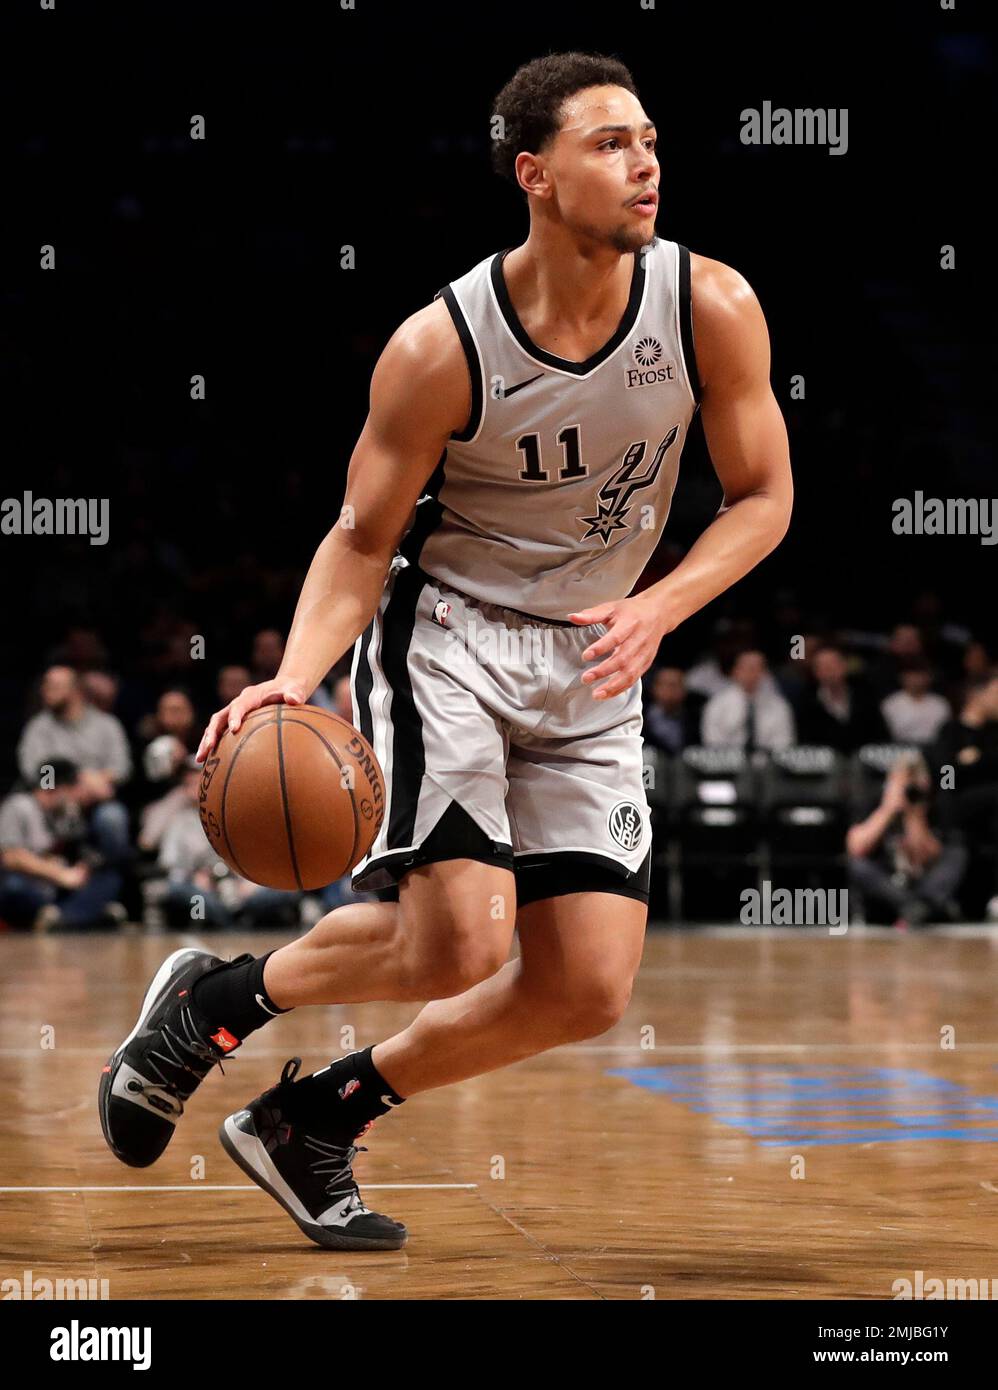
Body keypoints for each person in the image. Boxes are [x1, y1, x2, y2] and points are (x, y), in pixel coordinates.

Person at [99, 51, 793, 1251]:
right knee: (457, 943)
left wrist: (662, 604)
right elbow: (362, 539)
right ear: (534, 174)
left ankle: (311, 1118)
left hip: (598, 650)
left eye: (651, 142)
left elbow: (763, 497)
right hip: (452, 635)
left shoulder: (707, 306)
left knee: (583, 986)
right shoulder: (439, 346)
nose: (644, 165)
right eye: (610, 144)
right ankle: (217, 1000)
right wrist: (294, 677)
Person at [17, 666, 132, 869]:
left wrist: (95, 785)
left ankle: (113, 882)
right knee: (24, 809)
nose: (45, 690)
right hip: (54, 802)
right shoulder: (38, 728)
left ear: (76, 690)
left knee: (113, 818)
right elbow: (33, 771)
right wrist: (77, 783)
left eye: (54, 686)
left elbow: (121, 768)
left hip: (96, 803)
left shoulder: (106, 725)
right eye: (45, 685)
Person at [0, 760, 124, 930]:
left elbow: (81, 852)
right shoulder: (19, 806)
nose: (75, 795)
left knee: (109, 879)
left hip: (56, 891)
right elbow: (11, 857)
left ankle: (60, 918)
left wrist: (81, 868)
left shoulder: (66, 813)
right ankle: (83, 916)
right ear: (57, 789)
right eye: (71, 790)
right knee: (13, 887)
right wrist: (58, 874)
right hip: (28, 885)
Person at [846, 753, 967, 927]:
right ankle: (915, 906)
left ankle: (920, 906)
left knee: (957, 854)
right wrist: (888, 809)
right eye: (902, 781)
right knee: (857, 865)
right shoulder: (874, 799)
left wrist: (915, 815)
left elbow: (927, 858)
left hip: (922, 881)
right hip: (888, 889)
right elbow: (856, 848)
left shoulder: (935, 803)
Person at [797, 645, 886, 752]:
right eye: (823, 667)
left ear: (844, 666)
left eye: (834, 664)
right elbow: (806, 744)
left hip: (865, 759)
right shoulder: (806, 701)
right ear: (815, 673)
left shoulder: (866, 695)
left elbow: (880, 735)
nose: (830, 670)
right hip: (824, 763)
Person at [701, 650, 795, 751]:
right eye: (747, 668)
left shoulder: (779, 705)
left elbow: (785, 742)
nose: (752, 673)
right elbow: (711, 741)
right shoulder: (717, 704)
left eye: (758, 668)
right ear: (735, 671)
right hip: (727, 763)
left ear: (765, 673)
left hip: (767, 764)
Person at [880, 658, 951, 746]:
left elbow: (946, 733)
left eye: (920, 675)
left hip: (934, 749)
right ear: (902, 677)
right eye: (911, 675)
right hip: (899, 749)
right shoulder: (890, 703)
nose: (916, 680)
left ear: (929, 677)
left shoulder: (940, 703)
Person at [642, 666, 702, 754]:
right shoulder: (641, 715)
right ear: (654, 688)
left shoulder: (695, 718)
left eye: (674, 685)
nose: (669, 690)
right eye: (664, 684)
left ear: (684, 690)